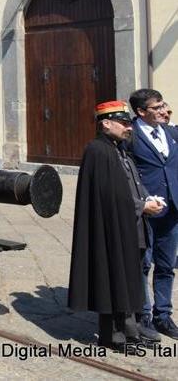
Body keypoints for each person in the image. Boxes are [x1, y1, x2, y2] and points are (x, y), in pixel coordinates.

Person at [68, 101, 164, 350]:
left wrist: (147, 200)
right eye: (122, 123)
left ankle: (131, 329)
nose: (127, 127)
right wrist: (141, 207)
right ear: (106, 123)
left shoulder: (119, 149)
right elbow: (109, 196)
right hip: (112, 227)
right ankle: (114, 335)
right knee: (112, 278)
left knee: (129, 277)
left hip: (130, 225)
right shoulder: (97, 151)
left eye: (127, 122)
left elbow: (132, 183)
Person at [128, 88, 178, 339]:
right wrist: (144, 199)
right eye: (156, 107)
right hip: (146, 211)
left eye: (163, 105)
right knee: (143, 264)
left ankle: (163, 315)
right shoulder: (130, 136)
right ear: (140, 112)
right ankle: (144, 315)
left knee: (167, 265)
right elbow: (128, 173)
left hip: (172, 210)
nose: (163, 110)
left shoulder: (170, 132)